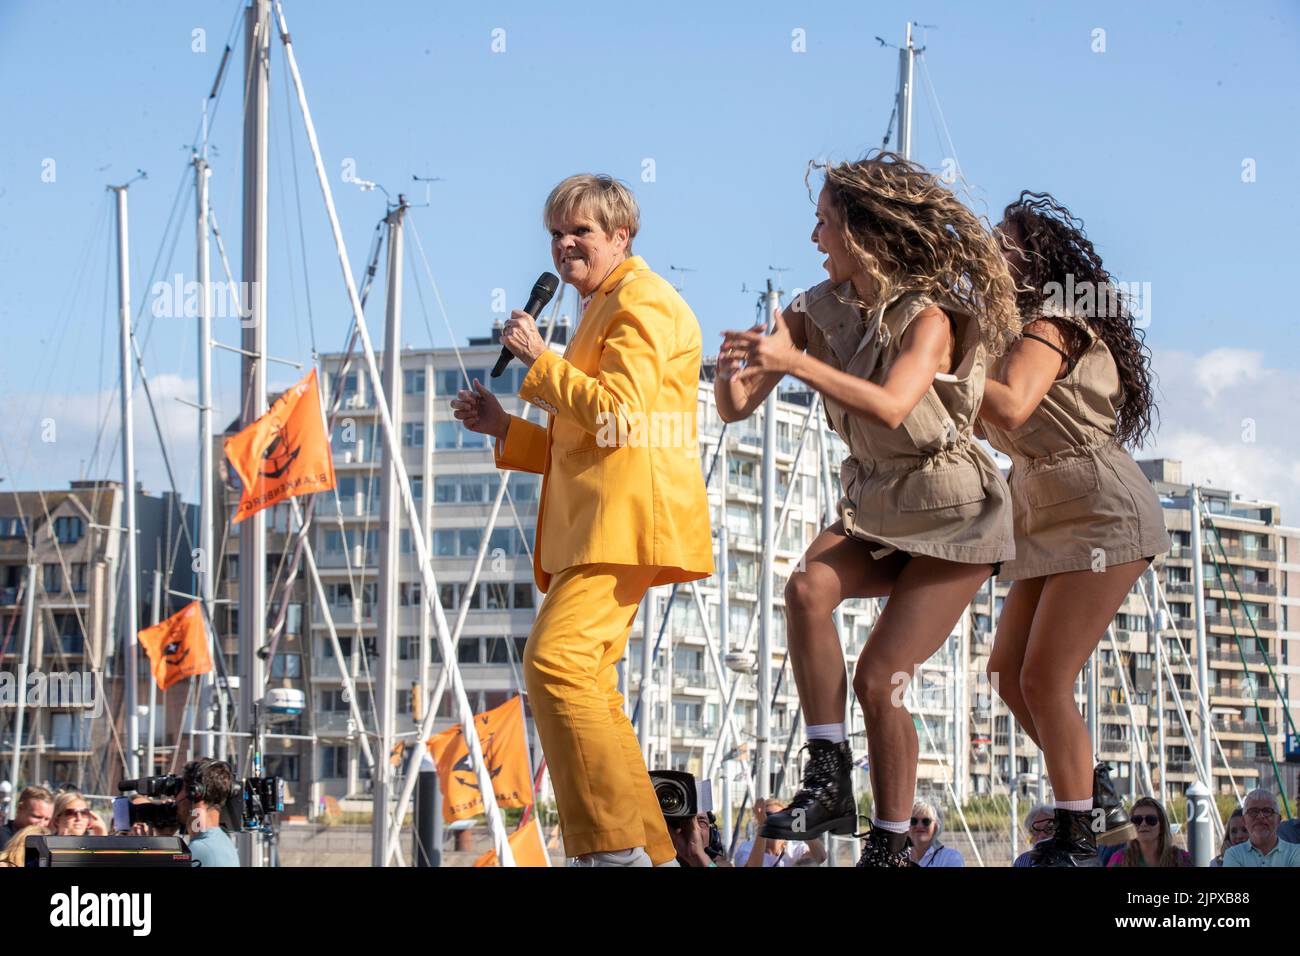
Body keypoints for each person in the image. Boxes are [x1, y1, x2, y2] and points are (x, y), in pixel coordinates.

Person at [718, 153, 1019, 866]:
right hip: (879, 499)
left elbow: (890, 406)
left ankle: (887, 846)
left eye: (824, 223)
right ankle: (826, 773)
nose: (813, 237)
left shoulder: (931, 319)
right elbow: (735, 408)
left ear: (866, 232)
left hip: (954, 509)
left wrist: (795, 365)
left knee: (880, 680)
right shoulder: (813, 308)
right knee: (808, 587)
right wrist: (743, 363)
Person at [451, 173, 713, 867]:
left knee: (556, 663)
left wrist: (541, 362)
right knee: (589, 684)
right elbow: (584, 439)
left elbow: (620, 417)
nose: (564, 245)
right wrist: (508, 427)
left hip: (622, 524)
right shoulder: (604, 305)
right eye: (556, 235)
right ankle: (649, 852)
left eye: (580, 232)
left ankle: (612, 848)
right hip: (604, 523)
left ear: (620, 236)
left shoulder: (642, 300)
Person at [978, 192, 1169, 866]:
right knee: (1007, 674)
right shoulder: (1000, 334)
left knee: (1046, 678)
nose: (992, 249)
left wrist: (927, 374)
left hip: (1099, 508)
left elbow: (1009, 401)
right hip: (1039, 508)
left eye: (1006, 240)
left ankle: (1076, 828)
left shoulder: (1060, 318)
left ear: (1041, 258)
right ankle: (1095, 796)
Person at [177, 758, 240, 867]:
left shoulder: (200, 849)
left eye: (179, 790)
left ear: (195, 793)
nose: (176, 798)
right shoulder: (222, 841)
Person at [733, 799, 826, 867]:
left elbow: (820, 857)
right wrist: (764, 827)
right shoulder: (746, 849)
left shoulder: (794, 848)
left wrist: (804, 826)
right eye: (769, 816)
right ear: (758, 820)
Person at [1222, 788, 1300, 867]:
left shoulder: (1295, 852)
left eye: (1267, 811)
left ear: (1278, 820)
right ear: (1244, 821)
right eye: (1253, 811)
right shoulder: (1233, 854)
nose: (1260, 816)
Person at [1106, 797, 1192, 867]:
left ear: (1162, 826)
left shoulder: (1182, 859)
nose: (1143, 824)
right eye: (1137, 820)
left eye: (1151, 820)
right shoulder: (1120, 859)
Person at [907, 799, 964, 866]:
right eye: (913, 821)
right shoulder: (898, 856)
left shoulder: (951, 857)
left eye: (926, 821)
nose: (919, 825)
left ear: (936, 827)